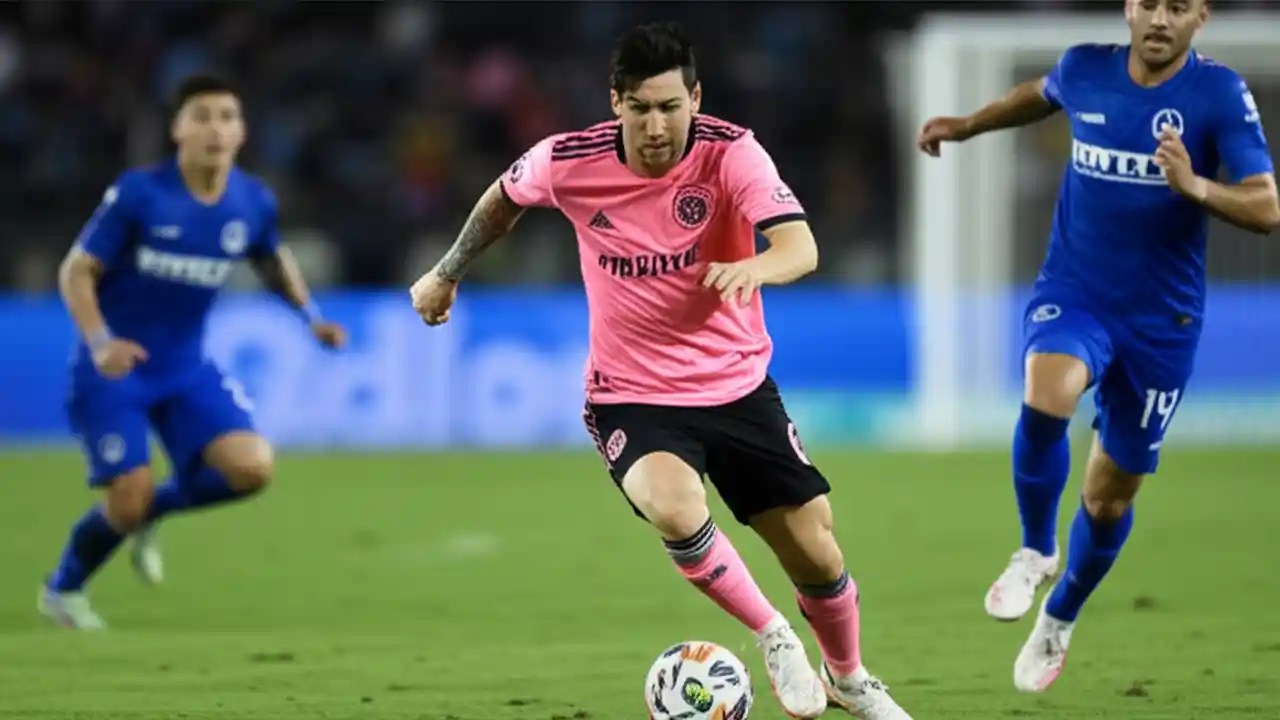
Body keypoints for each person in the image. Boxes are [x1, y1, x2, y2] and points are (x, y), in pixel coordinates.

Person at [411, 22, 912, 720]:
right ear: (614, 102)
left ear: (695, 99)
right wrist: (445, 273)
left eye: (671, 107)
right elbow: (502, 200)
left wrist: (753, 268)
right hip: (632, 396)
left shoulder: (732, 153)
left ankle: (852, 679)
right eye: (641, 107)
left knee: (818, 554)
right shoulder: (568, 161)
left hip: (736, 386)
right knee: (673, 507)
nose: (656, 125)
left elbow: (800, 247)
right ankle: (771, 635)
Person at [917, 0, 1277, 692]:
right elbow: (1040, 95)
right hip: (1076, 289)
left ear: (1200, 16)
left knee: (1109, 497)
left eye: (1178, 6)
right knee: (1046, 389)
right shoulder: (1086, 67)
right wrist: (967, 126)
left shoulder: (1218, 93)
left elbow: (1266, 206)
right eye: (1149, 4)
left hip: (1161, 321)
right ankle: (1034, 548)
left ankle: (1059, 617)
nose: (1160, 19)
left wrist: (1195, 185)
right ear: (1129, 9)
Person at [41, 74, 347, 629]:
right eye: (202, 116)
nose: (216, 128)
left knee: (251, 469)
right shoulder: (141, 194)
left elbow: (272, 260)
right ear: (178, 128)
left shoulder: (252, 201)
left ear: (242, 131)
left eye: (227, 117)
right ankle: (63, 589)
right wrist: (101, 341)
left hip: (184, 368)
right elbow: (76, 271)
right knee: (125, 498)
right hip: (116, 369)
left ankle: (149, 513)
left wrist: (310, 317)